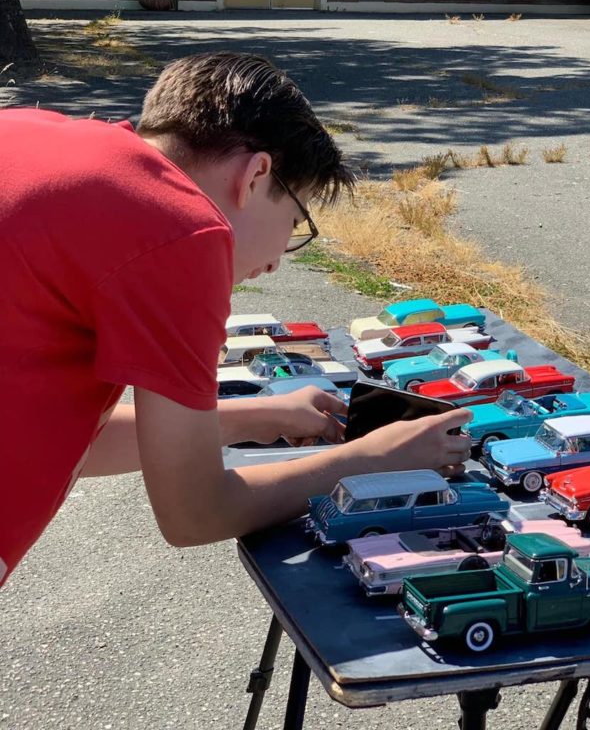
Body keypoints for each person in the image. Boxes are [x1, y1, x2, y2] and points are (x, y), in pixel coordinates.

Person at [0, 52, 471, 587]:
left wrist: (253, 416)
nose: (276, 261)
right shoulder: (183, 231)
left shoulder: (31, 132)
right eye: (296, 220)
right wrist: (372, 460)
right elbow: (194, 514)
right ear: (256, 175)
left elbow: (68, 440)